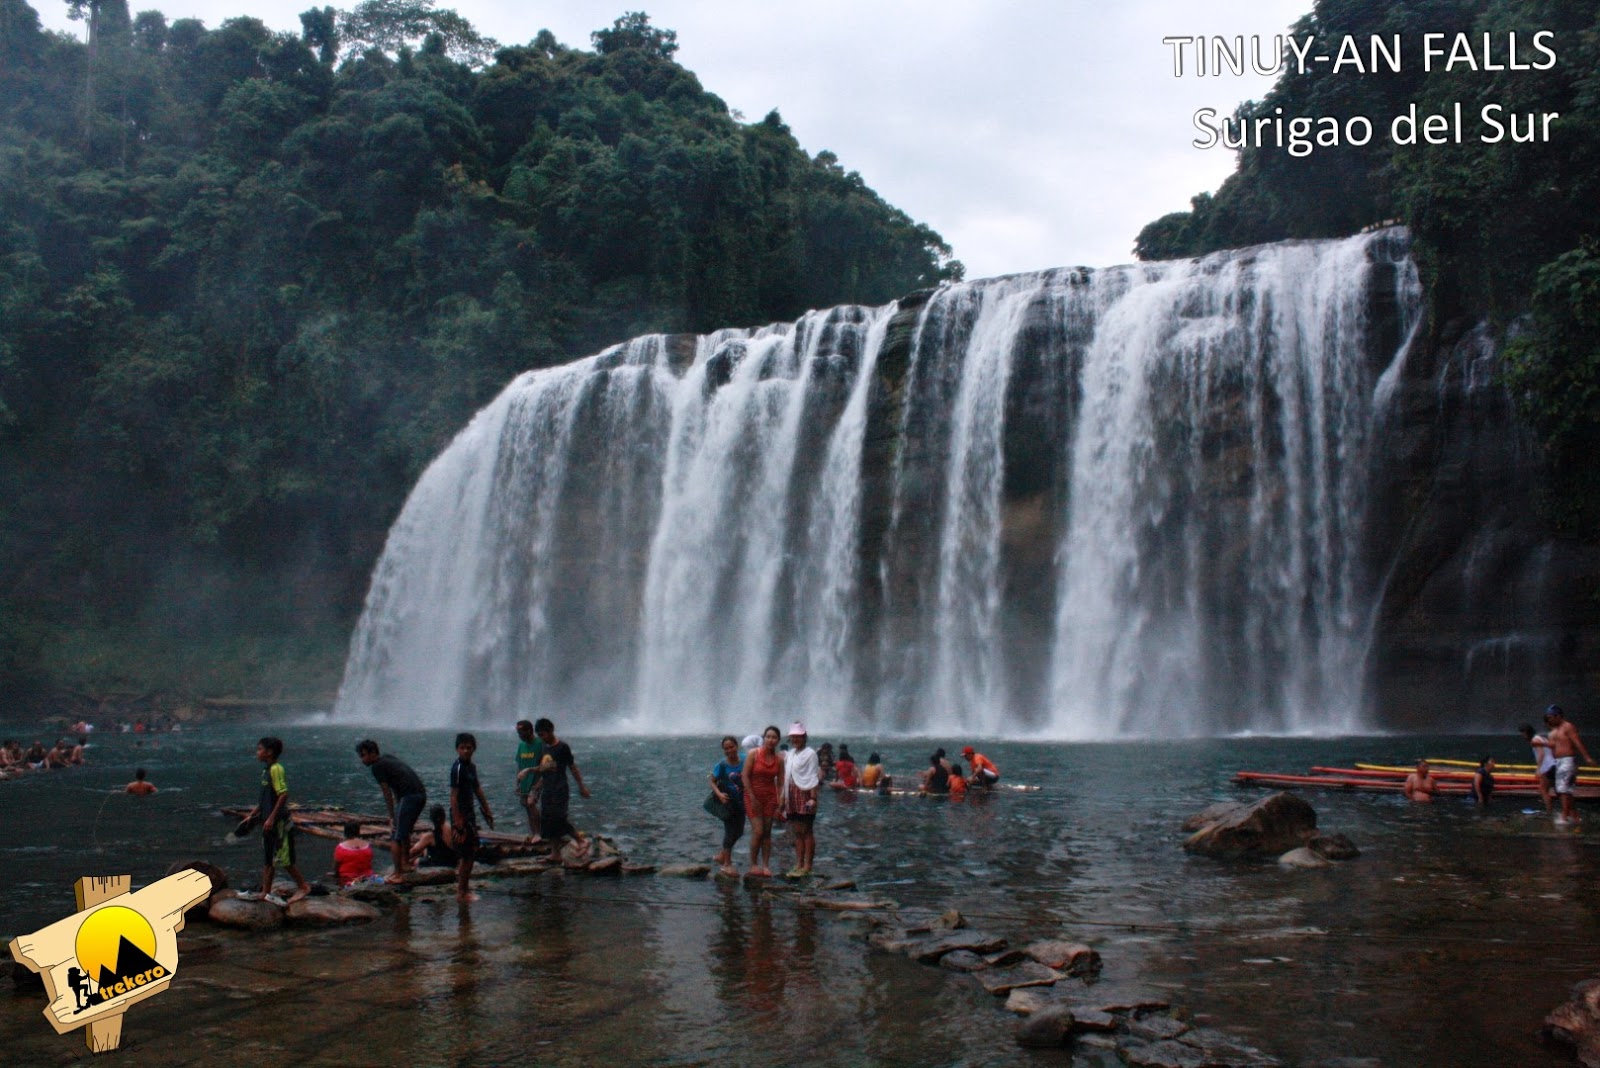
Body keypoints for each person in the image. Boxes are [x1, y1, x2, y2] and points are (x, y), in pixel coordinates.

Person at [239, 736, 310, 906]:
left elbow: (283, 794)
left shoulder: (276, 769)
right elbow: (265, 798)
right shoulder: (267, 770)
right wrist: (253, 814)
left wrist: (271, 818)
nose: (257, 752)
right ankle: (265, 892)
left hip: (279, 822)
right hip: (267, 820)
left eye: (259, 749)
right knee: (268, 857)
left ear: (269, 752)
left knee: (283, 858)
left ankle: (304, 887)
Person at [356, 739, 427, 883]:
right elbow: (397, 783)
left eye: (363, 755)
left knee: (395, 836)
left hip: (409, 797)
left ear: (373, 753)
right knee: (404, 832)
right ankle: (405, 864)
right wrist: (398, 806)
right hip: (420, 795)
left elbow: (386, 791)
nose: (362, 759)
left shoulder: (377, 766)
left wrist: (391, 816)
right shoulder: (387, 758)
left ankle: (397, 874)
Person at [532, 718, 590, 855]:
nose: (541, 738)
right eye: (539, 735)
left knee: (559, 818)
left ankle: (581, 841)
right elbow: (543, 770)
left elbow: (572, 767)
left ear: (551, 730)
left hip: (560, 788)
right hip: (547, 789)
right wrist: (536, 789)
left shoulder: (562, 747)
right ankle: (555, 854)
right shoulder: (543, 747)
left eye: (543, 734)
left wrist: (582, 787)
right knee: (547, 820)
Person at [449, 732, 494, 902]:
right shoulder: (458, 768)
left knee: (471, 852)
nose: (466, 751)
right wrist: (457, 821)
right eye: (462, 748)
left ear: (474, 749)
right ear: (457, 749)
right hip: (461, 816)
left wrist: (487, 810)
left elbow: (477, 789)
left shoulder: (471, 767)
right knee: (466, 854)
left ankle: (464, 887)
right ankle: (462, 892)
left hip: (469, 814)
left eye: (469, 748)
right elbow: (453, 796)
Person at [742, 725, 784, 877]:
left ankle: (765, 865)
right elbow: (745, 776)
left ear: (778, 740)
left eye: (774, 737)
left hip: (770, 798)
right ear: (763, 738)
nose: (771, 740)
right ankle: (753, 864)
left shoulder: (779, 760)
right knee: (758, 831)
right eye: (768, 737)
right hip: (752, 796)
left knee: (767, 833)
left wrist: (780, 801)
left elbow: (780, 782)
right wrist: (752, 797)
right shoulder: (754, 754)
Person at [1545, 705, 1595, 826]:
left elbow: (1577, 742)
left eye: (1551, 717)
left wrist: (1587, 757)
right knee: (1566, 790)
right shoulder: (1554, 731)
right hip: (1559, 761)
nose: (1549, 720)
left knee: (1563, 790)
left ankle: (1564, 816)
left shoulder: (1568, 727)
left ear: (1558, 716)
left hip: (1567, 760)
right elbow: (1552, 747)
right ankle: (1575, 816)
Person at [782, 723, 820, 878]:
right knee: (797, 831)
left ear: (804, 737)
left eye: (798, 736)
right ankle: (798, 863)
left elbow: (813, 775)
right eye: (793, 736)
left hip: (804, 793)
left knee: (807, 831)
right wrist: (783, 796)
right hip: (791, 793)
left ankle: (808, 865)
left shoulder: (810, 754)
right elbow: (786, 775)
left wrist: (813, 798)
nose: (795, 739)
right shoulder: (791, 754)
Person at [709, 735, 746, 876]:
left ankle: (722, 855)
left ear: (737, 746)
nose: (729, 750)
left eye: (732, 747)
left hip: (742, 802)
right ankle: (726, 864)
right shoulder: (722, 765)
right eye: (726, 748)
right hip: (728, 802)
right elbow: (712, 780)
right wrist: (719, 794)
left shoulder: (745, 759)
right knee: (730, 831)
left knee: (740, 831)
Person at [513, 720, 546, 843]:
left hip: (537, 780)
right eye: (518, 733)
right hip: (525, 782)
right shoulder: (521, 746)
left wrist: (542, 780)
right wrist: (517, 782)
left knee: (531, 803)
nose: (519, 735)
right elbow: (519, 765)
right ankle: (535, 834)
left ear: (529, 731)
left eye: (521, 732)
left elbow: (548, 764)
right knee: (527, 806)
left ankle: (538, 833)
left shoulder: (540, 744)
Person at [1521, 723, 1556, 813]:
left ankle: (1549, 812)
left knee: (1543, 790)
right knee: (1546, 789)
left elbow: (1541, 754)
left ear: (1527, 733)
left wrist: (1538, 769)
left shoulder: (1535, 740)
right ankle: (1551, 809)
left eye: (1523, 733)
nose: (1522, 736)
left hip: (1546, 767)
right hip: (1552, 765)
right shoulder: (1541, 738)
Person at [333, 821, 378, 887]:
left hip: (348, 879)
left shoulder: (341, 847)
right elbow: (369, 862)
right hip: (366, 877)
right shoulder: (367, 846)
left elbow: (336, 866)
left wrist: (336, 875)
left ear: (345, 832)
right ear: (358, 832)